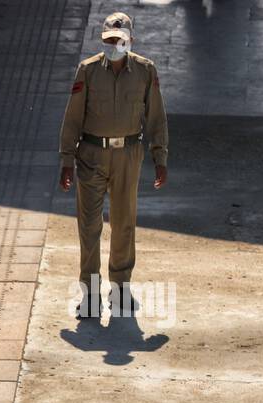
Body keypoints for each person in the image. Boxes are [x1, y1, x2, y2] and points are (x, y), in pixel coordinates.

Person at [59, 11, 168, 320]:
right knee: (89, 226)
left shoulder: (146, 71)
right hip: (91, 155)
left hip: (128, 155)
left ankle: (120, 288)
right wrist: (67, 161)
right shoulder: (88, 71)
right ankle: (90, 295)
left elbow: (156, 117)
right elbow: (73, 119)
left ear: (129, 40)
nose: (112, 45)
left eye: (118, 40)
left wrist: (161, 157)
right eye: (108, 40)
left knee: (123, 223)